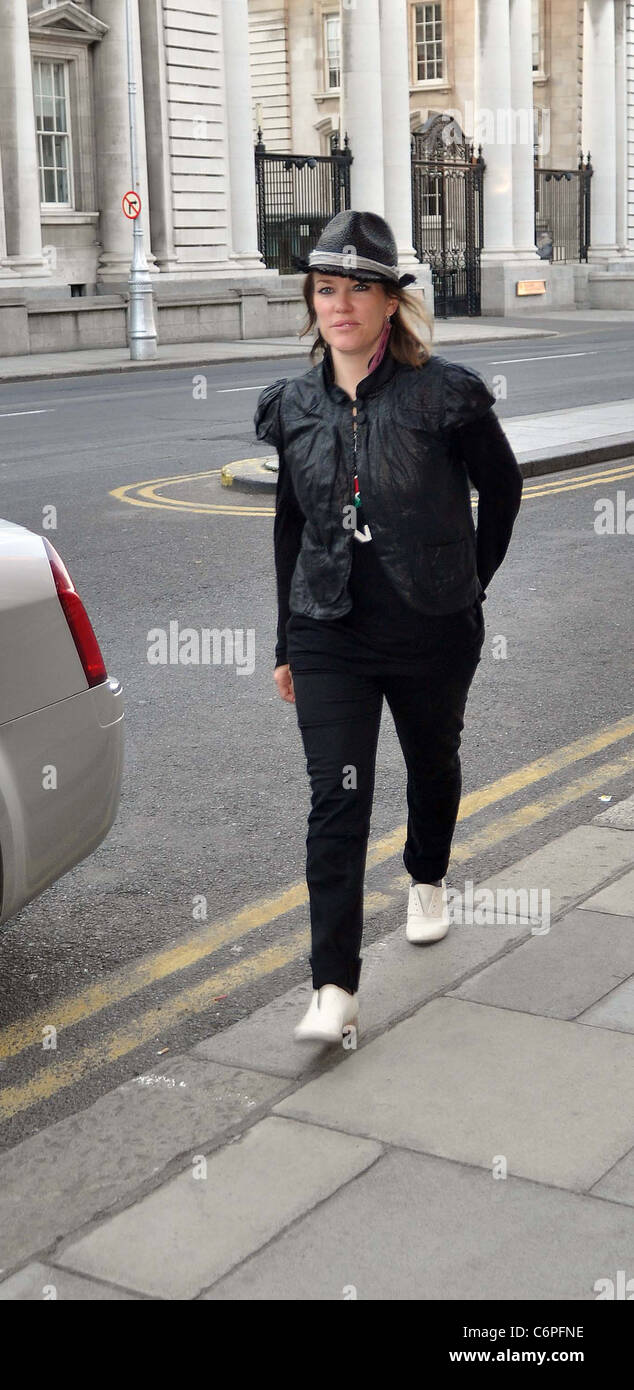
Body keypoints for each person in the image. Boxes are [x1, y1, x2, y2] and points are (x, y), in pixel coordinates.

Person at [254, 210, 523, 1045]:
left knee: (432, 763)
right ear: (312, 301)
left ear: (389, 303)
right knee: (336, 804)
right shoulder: (293, 407)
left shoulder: (444, 394)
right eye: (326, 289)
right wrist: (285, 642)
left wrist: (468, 587)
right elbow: (289, 528)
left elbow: (504, 491)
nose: (340, 305)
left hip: (430, 626)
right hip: (328, 628)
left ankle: (428, 878)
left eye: (358, 289)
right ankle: (334, 987)